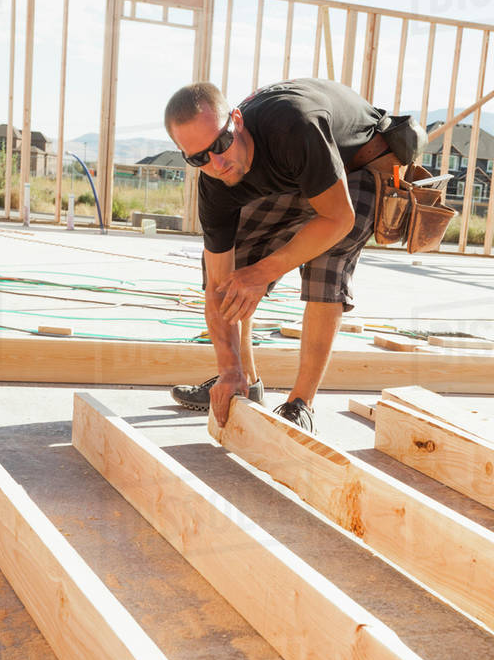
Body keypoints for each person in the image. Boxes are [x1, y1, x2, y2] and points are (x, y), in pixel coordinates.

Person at [163, 78, 391, 432]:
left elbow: (339, 218)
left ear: (236, 120)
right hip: (295, 172)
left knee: (325, 267)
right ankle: (244, 380)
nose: (217, 162)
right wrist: (228, 368)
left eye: (221, 143)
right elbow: (217, 290)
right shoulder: (215, 183)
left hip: (358, 162)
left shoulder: (293, 125)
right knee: (235, 266)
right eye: (199, 157)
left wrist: (264, 272)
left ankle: (301, 403)